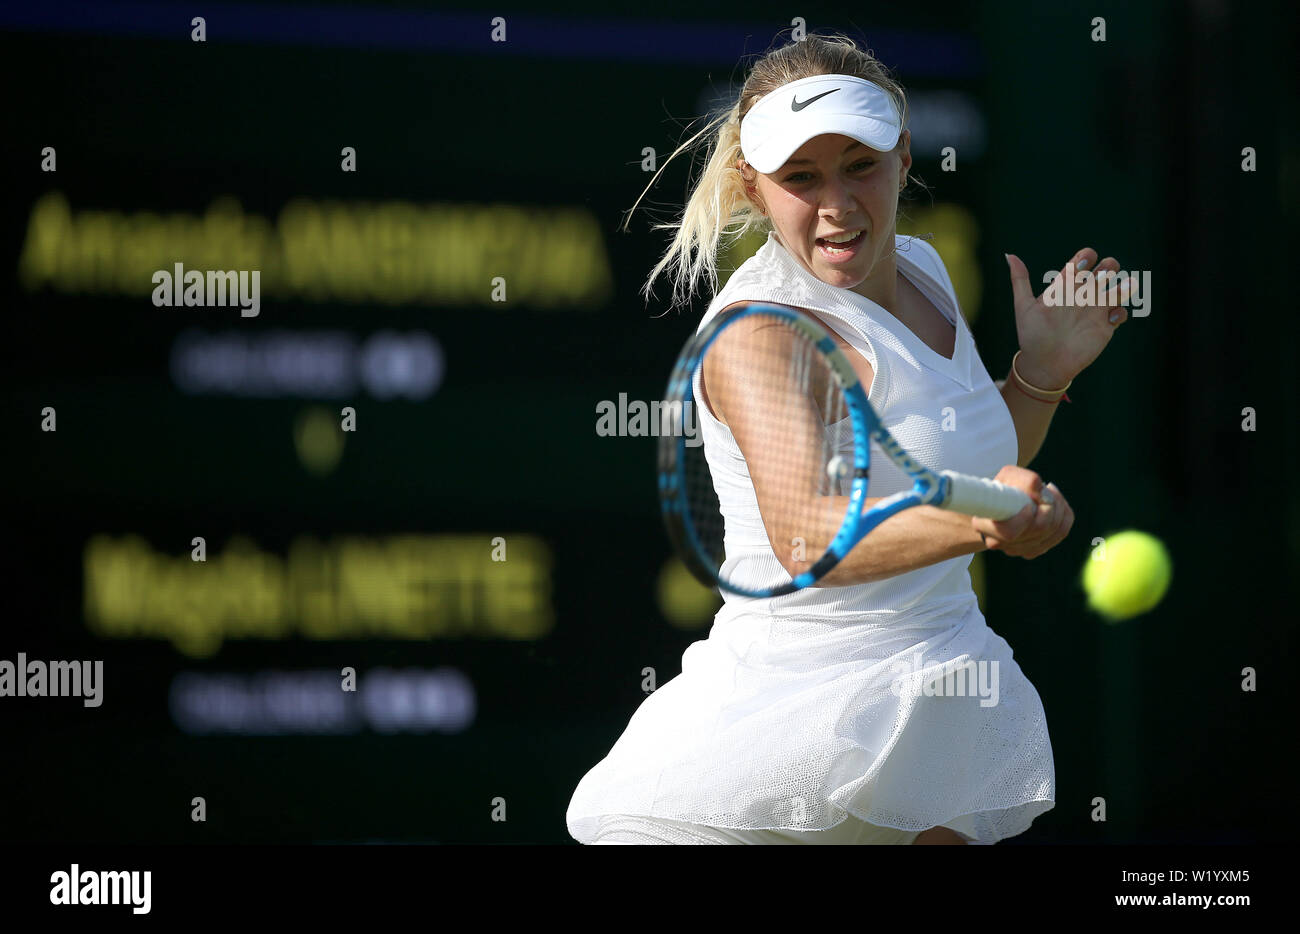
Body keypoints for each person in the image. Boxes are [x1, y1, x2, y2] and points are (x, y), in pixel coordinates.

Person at [567, 32, 1130, 844]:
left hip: (936, 688)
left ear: (903, 157)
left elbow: (966, 460)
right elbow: (808, 535)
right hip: (786, 741)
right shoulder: (759, 337)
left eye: (859, 165)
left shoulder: (925, 271)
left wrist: (1038, 374)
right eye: (800, 177)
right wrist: (985, 520)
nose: (835, 203)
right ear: (752, 189)